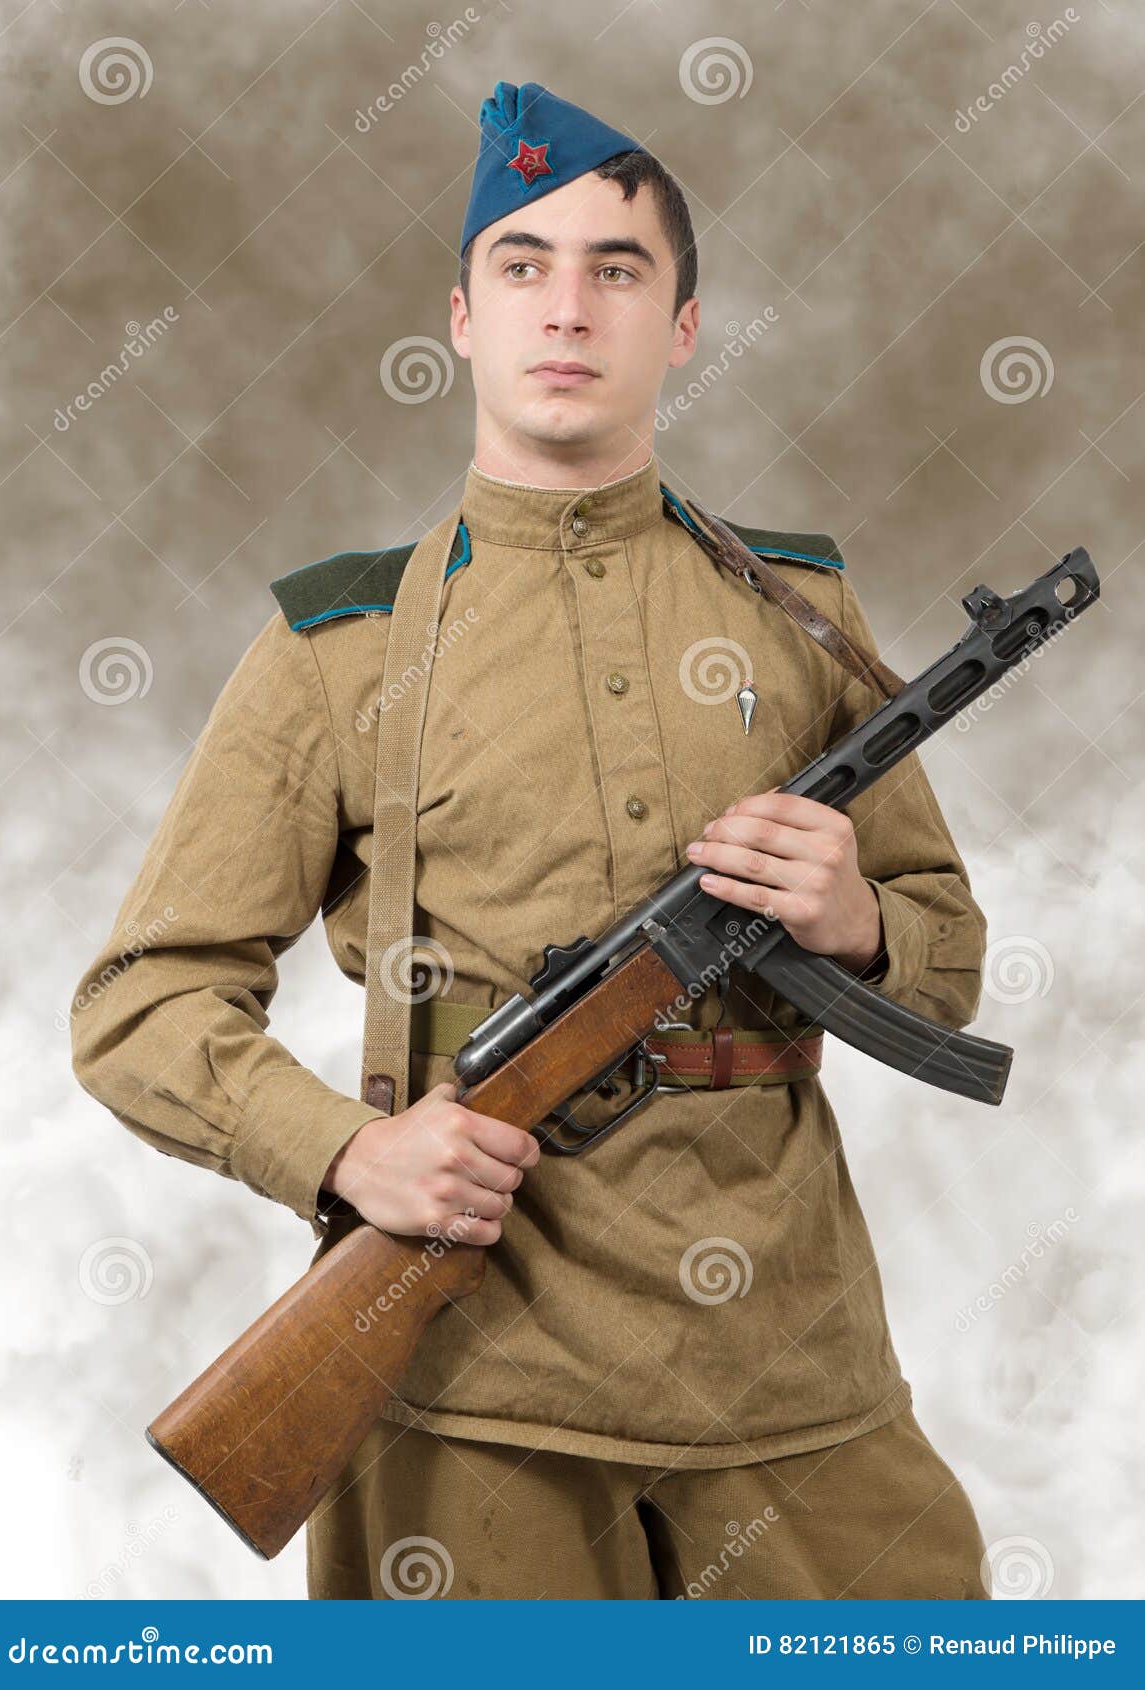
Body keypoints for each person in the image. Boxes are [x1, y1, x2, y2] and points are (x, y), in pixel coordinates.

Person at [70, 80, 992, 1600]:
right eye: (524, 266)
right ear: (462, 317)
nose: (568, 307)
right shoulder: (339, 648)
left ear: (681, 326)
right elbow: (140, 1003)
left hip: (790, 1363)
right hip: (465, 1394)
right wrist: (346, 1151)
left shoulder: (800, 612)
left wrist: (859, 922)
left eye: (617, 269)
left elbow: (947, 968)